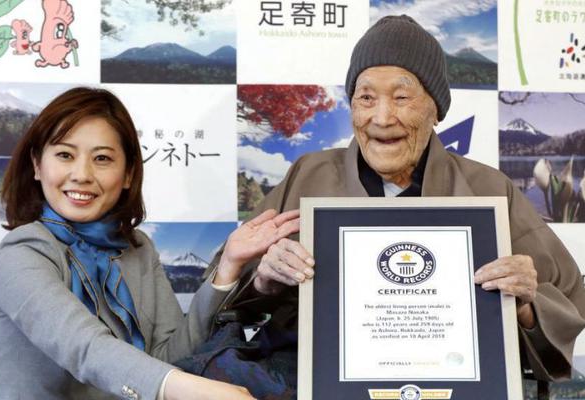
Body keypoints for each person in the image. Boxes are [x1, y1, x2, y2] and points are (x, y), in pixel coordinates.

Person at [206, 15, 585, 381]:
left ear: (436, 108)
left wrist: (524, 304)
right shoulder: (308, 175)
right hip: (314, 378)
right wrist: (266, 281)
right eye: (366, 97)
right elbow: (230, 282)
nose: (383, 117)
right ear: (352, 106)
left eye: (402, 97)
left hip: (453, 379)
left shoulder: (487, 189)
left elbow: (568, 296)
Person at [0, 87, 300, 399]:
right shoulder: (22, 250)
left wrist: (229, 266)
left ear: (127, 174)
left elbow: (170, 356)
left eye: (102, 158)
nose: (82, 174)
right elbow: (84, 346)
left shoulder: (137, 247)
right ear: (36, 165)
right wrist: (193, 389)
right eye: (64, 155)